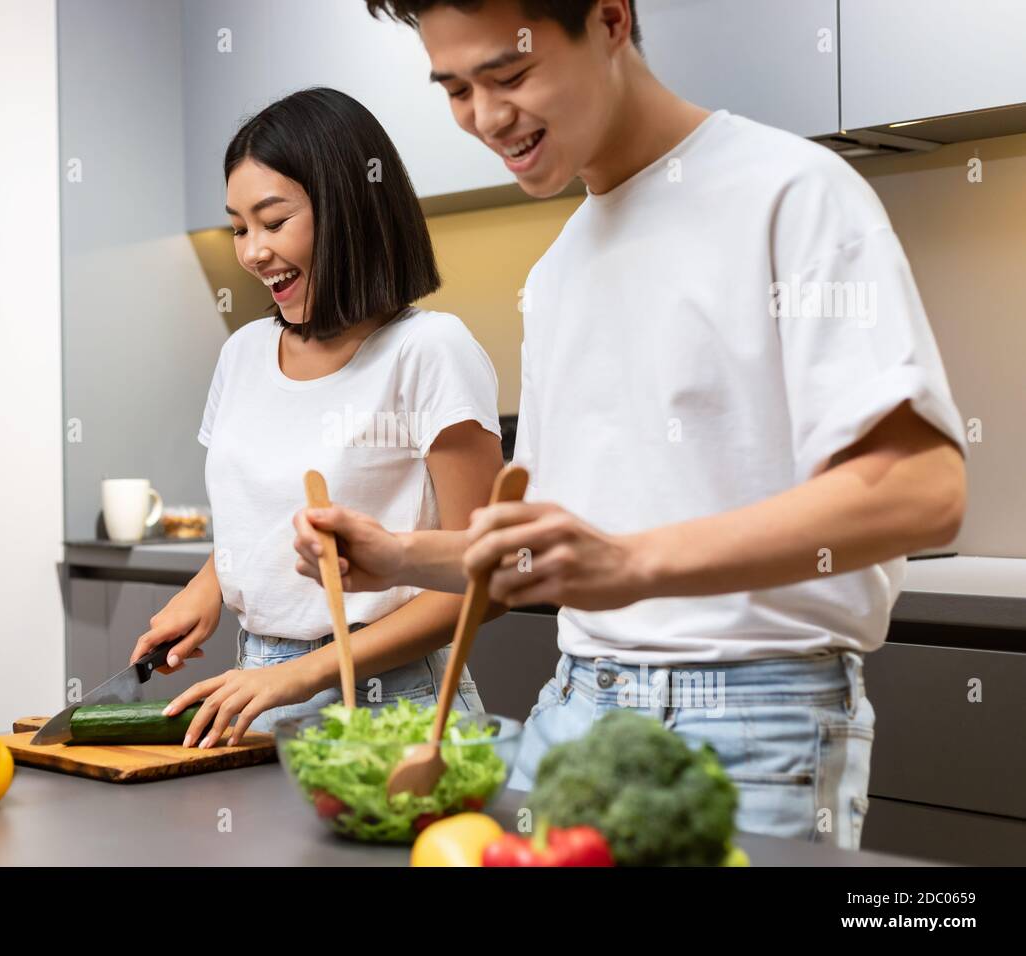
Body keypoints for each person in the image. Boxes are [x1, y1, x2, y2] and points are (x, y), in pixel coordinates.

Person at [293, 0, 967, 847]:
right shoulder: (557, 270)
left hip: (753, 719)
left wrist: (631, 563)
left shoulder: (791, 192)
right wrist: (396, 554)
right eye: (457, 89)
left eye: (510, 73)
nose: (487, 117)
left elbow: (924, 489)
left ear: (611, 20)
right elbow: (546, 544)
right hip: (574, 708)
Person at [130, 87, 504, 746]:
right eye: (240, 227)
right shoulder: (244, 352)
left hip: (395, 705)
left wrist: (303, 674)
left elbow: (484, 581)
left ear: (349, 209)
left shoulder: (429, 351)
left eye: (273, 223)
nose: (251, 252)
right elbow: (269, 520)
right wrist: (208, 588)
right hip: (255, 691)